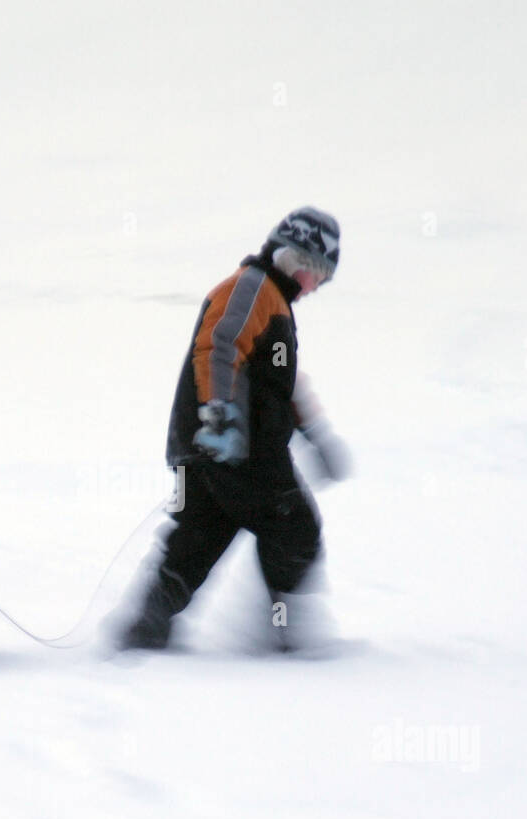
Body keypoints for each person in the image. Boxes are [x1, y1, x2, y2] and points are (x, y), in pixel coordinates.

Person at [114, 206, 351, 652]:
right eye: (318, 272)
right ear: (295, 258)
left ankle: (145, 628)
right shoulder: (252, 288)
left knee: (197, 541)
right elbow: (219, 346)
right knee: (295, 529)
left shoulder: (273, 302)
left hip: (212, 450)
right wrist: (218, 413)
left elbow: (281, 385)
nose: (316, 286)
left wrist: (315, 433)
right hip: (236, 450)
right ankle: (284, 632)